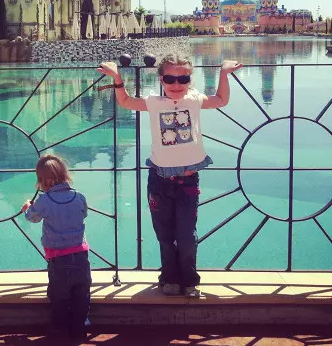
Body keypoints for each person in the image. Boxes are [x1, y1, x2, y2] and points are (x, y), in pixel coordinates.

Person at [98, 54, 242, 298]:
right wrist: (116, 77)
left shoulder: (195, 99)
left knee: (187, 235)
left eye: (183, 78)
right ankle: (169, 278)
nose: (177, 84)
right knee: (164, 234)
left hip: (188, 181)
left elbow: (221, 100)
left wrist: (224, 73)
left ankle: (189, 279)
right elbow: (125, 102)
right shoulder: (153, 101)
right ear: (161, 79)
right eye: (170, 79)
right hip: (159, 179)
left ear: (190, 79)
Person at [21, 154, 91, 340]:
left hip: (58, 259)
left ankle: (59, 330)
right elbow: (83, 214)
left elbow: (33, 217)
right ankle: (79, 328)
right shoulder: (79, 196)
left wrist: (27, 207)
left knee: (59, 296)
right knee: (81, 294)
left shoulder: (44, 201)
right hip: (81, 257)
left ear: (43, 181)